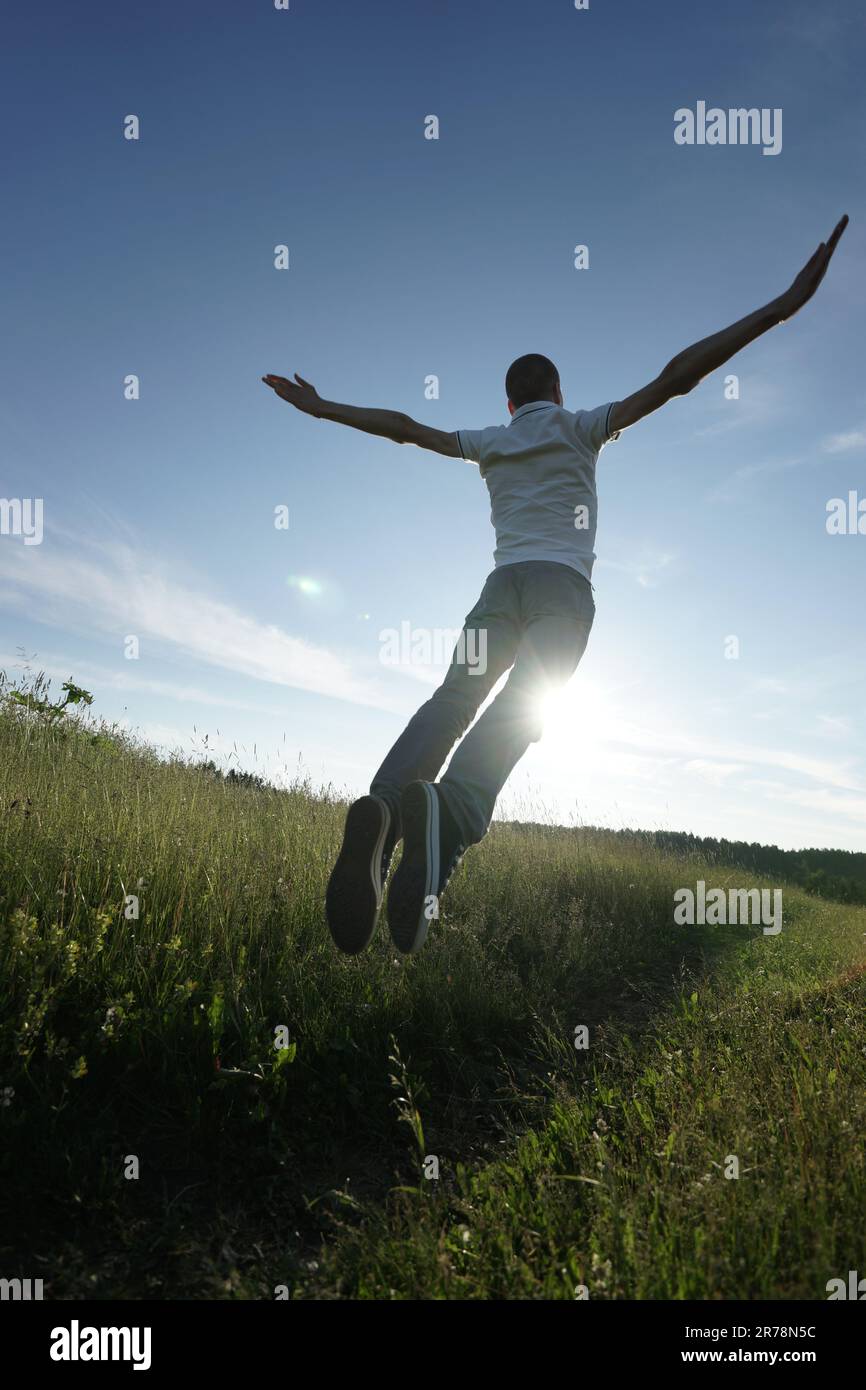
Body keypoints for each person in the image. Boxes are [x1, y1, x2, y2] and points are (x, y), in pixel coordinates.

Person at [263, 214, 848, 957]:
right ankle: (446, 824)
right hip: (562, 594)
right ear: (557, 392)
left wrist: (321, 408)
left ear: (509, 404)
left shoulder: (493, 441)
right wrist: (781, 306)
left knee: (451, 699)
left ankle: (384, 808)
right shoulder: (582, 427)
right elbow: (678, 377)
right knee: (521, 710)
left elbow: (405, 427)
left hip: (498, 589)